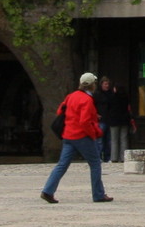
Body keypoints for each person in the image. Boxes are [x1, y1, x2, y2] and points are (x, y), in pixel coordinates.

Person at [41, 72, 111, 204]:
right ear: (92, 85)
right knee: (95, 163)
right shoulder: (87, 100)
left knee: (62, 164)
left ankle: (48, 190)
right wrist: (93, 134)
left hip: (68, 134)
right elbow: (84, 121)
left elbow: (60, 111)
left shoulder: (71, 96)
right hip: (82, 136)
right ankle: (98, 194)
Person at [94, 76, 134, 164]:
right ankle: (123, 157)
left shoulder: (112, 97)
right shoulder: (126, 97)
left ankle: (114, 157)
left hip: (113, 120)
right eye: (106, 84)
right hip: (124, 120)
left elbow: (109, 107)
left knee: (113, 140)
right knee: (123, 139)